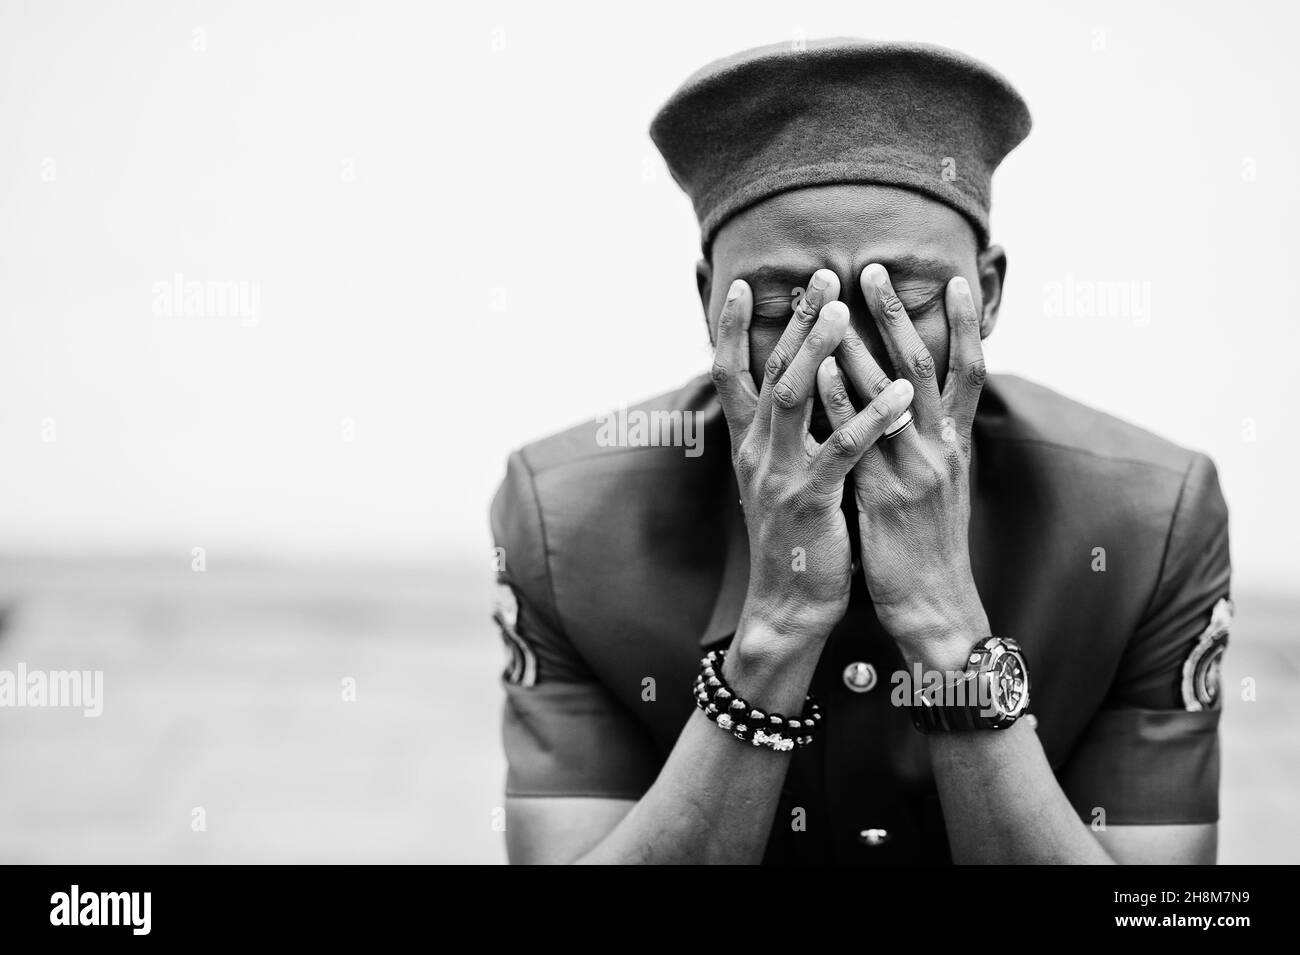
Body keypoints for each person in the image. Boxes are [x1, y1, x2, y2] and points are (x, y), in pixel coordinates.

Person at [489, 38, 1232, 864]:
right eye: (784, 307)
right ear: (708, 302)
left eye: (907, 302)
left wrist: (945, 625)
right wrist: (774, 629)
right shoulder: (565, 523)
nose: (846, 357)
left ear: (987, 292)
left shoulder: (1150, 520)